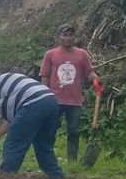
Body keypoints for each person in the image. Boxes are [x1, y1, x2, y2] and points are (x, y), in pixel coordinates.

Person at [0, 73, 65, 179]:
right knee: (43, 146)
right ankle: (57, 178)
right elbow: (16, 120)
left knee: (13, 144)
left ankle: (5, 178)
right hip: (50, 100)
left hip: (32, 103)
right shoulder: (6, 83)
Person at [40, 24, 101, 162]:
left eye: (71, 35)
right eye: (65, 35)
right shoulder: (50, 54)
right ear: (59, 37)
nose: (68, 38)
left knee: (73, 131)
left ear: (75, 37)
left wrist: (96, 79)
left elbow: (89, 72)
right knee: (50, 130)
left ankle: (71, 161)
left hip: (75, 101)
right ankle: (46, 157)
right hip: (54, 100)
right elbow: (45, 77)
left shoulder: (82, 54)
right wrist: (42, 96)